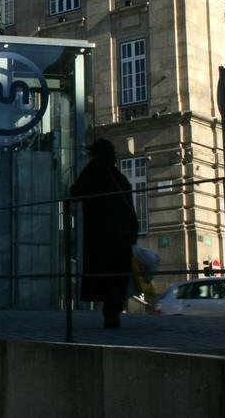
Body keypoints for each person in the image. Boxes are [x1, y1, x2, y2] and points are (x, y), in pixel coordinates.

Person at [70, 139, 138, 329]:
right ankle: (113, 314)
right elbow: (130, 208)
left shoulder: (93, 172)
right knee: (117, 275)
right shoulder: (120, 178)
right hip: (122, 236)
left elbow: (75, 192)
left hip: (100, 235)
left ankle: (110, 316)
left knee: (103, 274)